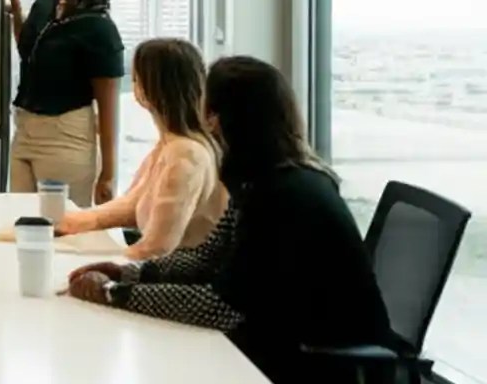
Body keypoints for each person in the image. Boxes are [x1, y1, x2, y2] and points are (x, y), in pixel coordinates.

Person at [67, 56, 392, 383]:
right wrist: (129, 273)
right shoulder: (265, 178)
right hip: (285, 338)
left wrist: (112, 293)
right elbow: (207, 258)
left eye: (207, 110)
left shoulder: (282, 196)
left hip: (313, 359)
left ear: (219, 120)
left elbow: (220, 306)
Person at [54, 38, 227, 260]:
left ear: (150, 88)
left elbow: (156, 247)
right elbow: (134, 202)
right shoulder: (172, 145)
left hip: (180, 279)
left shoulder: (186, 154)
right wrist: (72, 222)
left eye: (136, 78)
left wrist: (107, 270)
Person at [5, 0, 124, 205]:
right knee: (20, 218)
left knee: (62, 229)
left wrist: (109, 173)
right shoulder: (45, 5)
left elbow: (108, 108)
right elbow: (28, 48)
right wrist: (16, 8)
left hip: (66, 138)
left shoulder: (100, 30)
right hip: (25, 129)